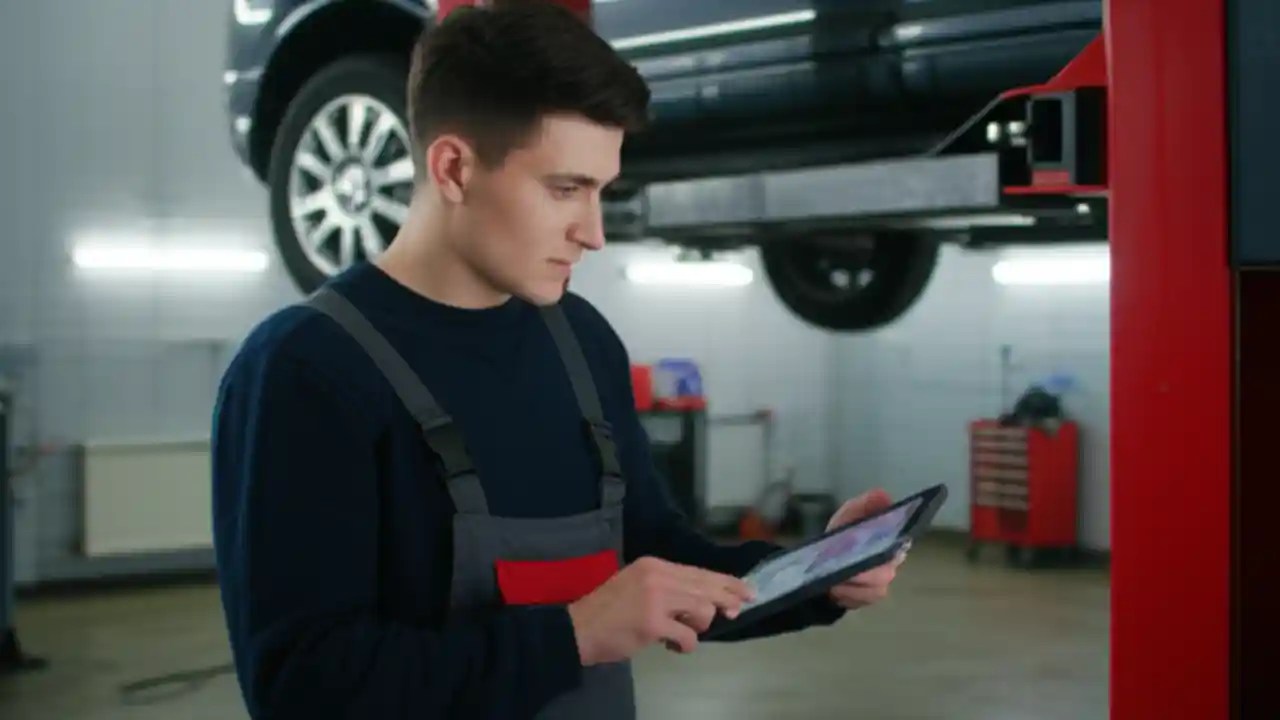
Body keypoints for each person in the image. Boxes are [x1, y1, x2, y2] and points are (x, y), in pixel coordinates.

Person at [211, 2, 905, 718]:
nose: (595, 233)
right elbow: (303, 687)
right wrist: (572, 636)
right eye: (565, 188)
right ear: (453, 167)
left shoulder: (581, 342)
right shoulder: (306, 373)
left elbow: (655, 555)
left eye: (602, 191)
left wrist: (814, 577)